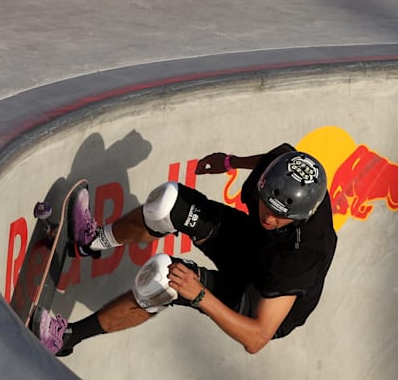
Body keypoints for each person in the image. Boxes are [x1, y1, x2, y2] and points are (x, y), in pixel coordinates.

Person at [32, 143, 337, 355]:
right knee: (168, 203)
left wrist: (200, 295)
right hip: (255, 247)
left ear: (302, 215)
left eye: (280, 216)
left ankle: (65, 338)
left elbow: (257, 338)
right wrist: (229, 162)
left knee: (163, 279)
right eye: (266, 205)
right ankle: (91, 241)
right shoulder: (281, 171)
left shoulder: (302, 257)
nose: (268, 218)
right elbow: (270, 160)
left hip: (259, 300)